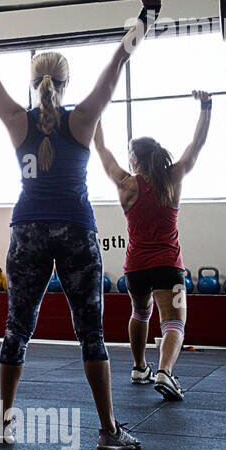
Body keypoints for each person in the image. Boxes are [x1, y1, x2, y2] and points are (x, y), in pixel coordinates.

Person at [0, 0, 162, 450]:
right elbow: (121, 59)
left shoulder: (17, 120)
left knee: (16, 329)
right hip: (76, 232)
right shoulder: (81, 120)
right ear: (65, 83)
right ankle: (107, 431)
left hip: (28, 232)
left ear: (35, 81)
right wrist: (148, 12)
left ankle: (2, 423)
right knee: (91, 334)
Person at [92, 91, 212, 401]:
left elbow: (101, 149)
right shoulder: (172, 178)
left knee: (140, 313)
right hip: (167, 265)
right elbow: (196, 146)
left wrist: (98, 114)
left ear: (134, 158)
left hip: (135, 269)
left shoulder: (126, 184)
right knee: (174, 322)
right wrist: (206, 108)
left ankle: (139, 366)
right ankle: (165, 372)